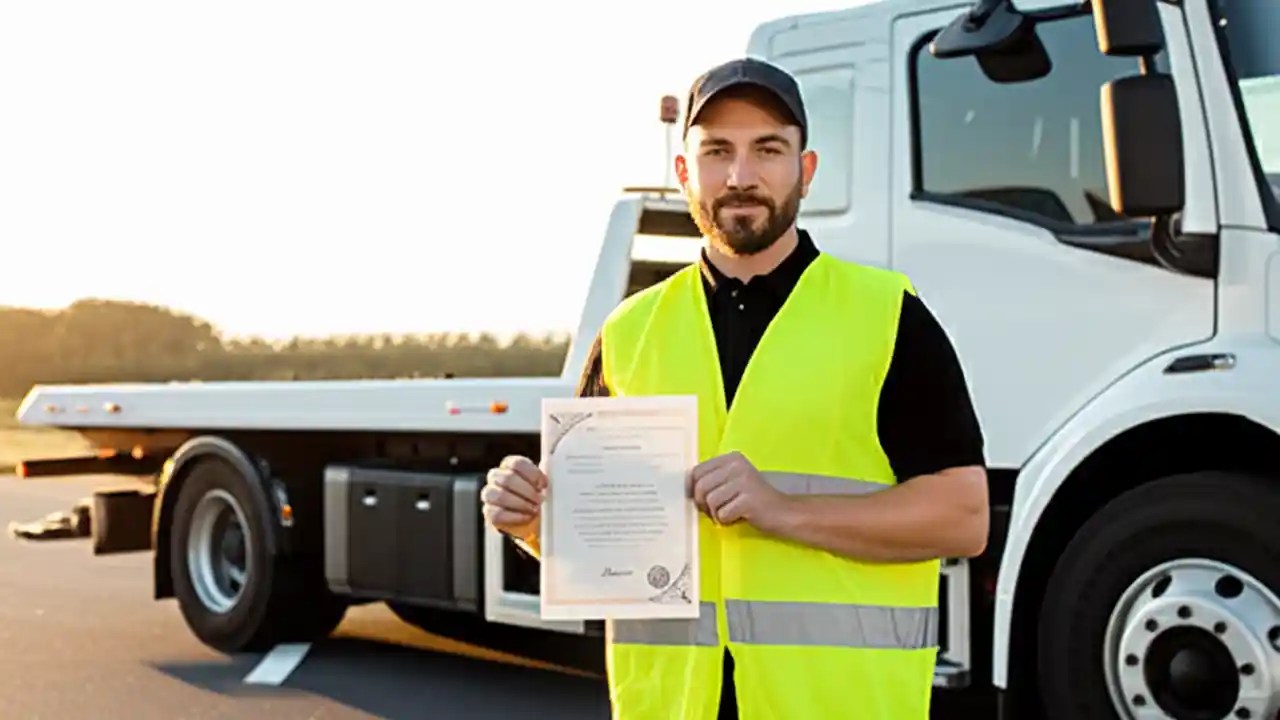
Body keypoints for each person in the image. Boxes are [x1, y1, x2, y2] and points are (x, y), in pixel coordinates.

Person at [481, 57, 989, 720]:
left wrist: (782, 509)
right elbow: (599, 537)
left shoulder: (888, 315)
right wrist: (531, 524)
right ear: (685, 173)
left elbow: (964, 517)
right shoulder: (630, 331)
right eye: (717, 151)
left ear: (804, 170)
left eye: (767, 150)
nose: (741, 176)